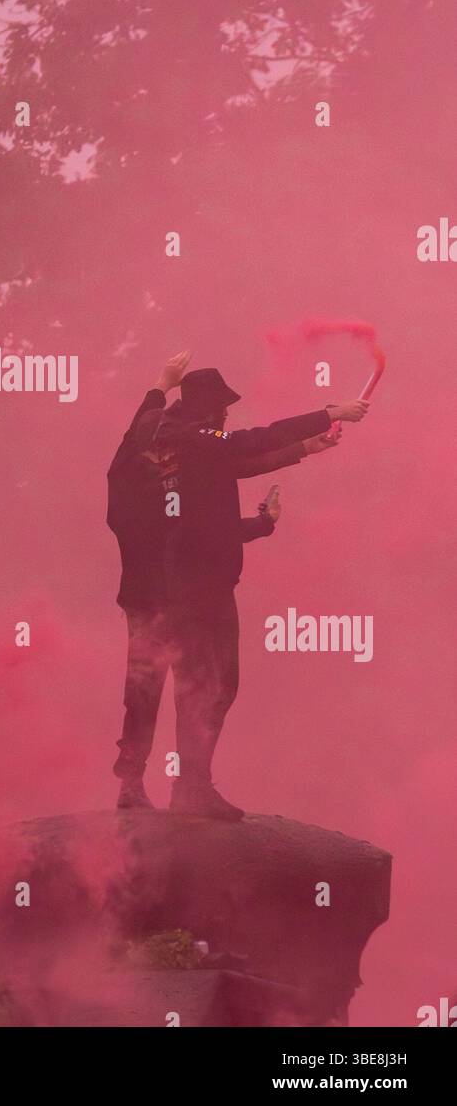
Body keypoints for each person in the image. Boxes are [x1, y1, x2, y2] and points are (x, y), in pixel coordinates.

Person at [107, 350, 369, 817]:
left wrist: (161, 382)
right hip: (194, 589)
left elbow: (227, 465)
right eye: (222, 408)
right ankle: (192, 786)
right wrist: (329, 413)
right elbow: (249, 442)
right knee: (211, 681)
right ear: (211, 410)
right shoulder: (206, 436)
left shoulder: (153, 435)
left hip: (145, 588)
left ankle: (132, 784)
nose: (227, 414)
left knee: (145, 683)